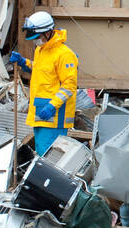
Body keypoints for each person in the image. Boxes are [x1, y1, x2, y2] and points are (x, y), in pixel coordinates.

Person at [8, 11, 79, 157]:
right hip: (41, 112)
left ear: (48, 32)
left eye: (38, 36)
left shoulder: (64, 54)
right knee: (42, 153)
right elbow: (40, 69)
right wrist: (23, 62)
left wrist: (53, 105)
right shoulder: (41, 50)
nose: (36, 40)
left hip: (54, 115)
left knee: (49, 157)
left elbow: (69, 85)